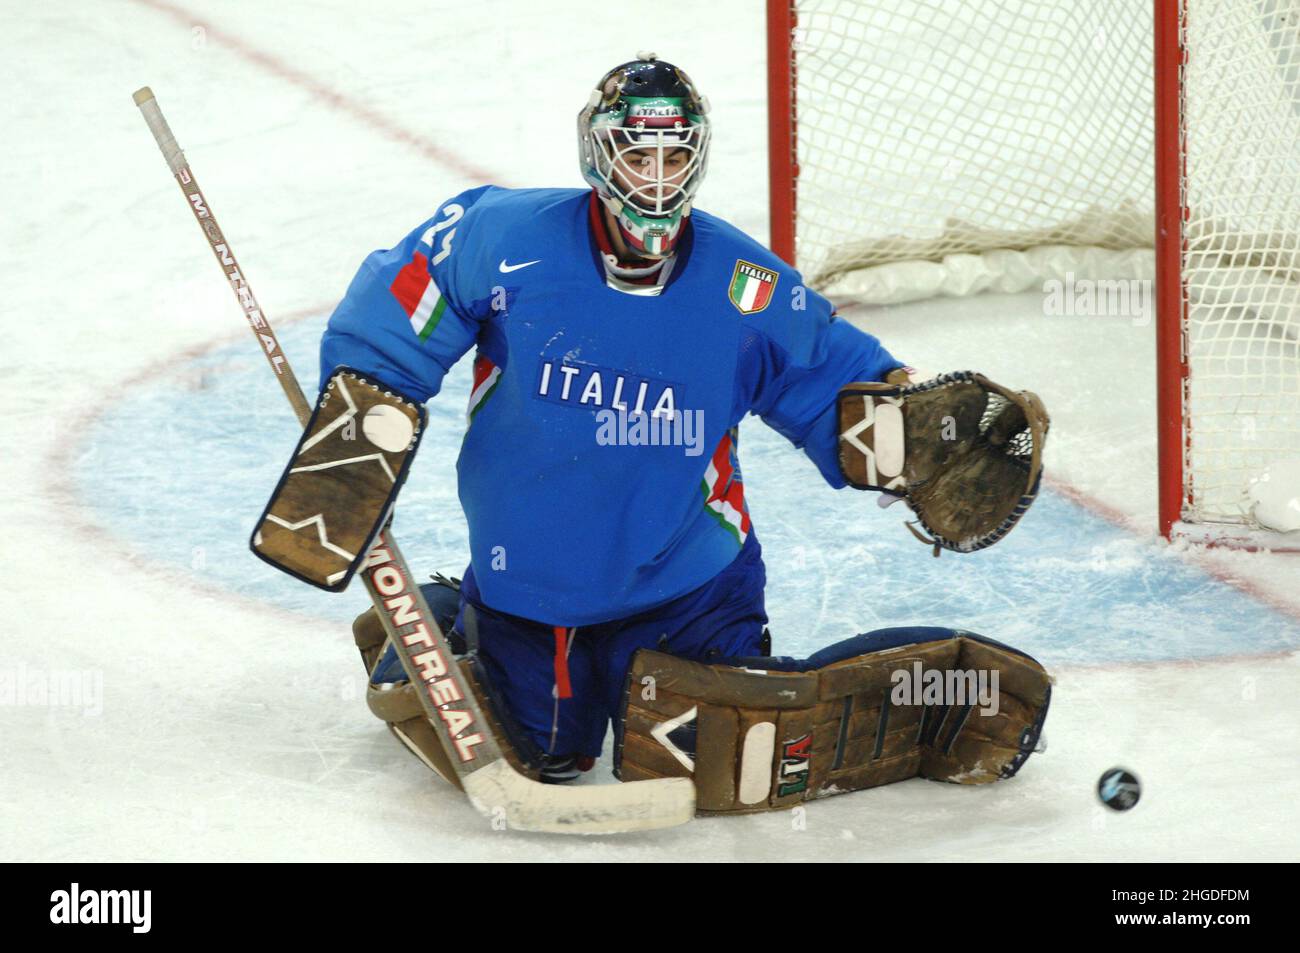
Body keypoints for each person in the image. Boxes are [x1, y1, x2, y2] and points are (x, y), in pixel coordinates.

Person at [321, 53, 903, 781]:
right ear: (598, 152)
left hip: (689, 580)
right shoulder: (505, 241)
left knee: (715, 755)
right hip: (532, 584)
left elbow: (833, 372)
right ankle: (447, 620)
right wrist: (362, 413)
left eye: (674, 154)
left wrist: (920, 432)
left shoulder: (745, 285)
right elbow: (405, 297)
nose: (656, 177)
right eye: (636, 153)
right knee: (534, 753)